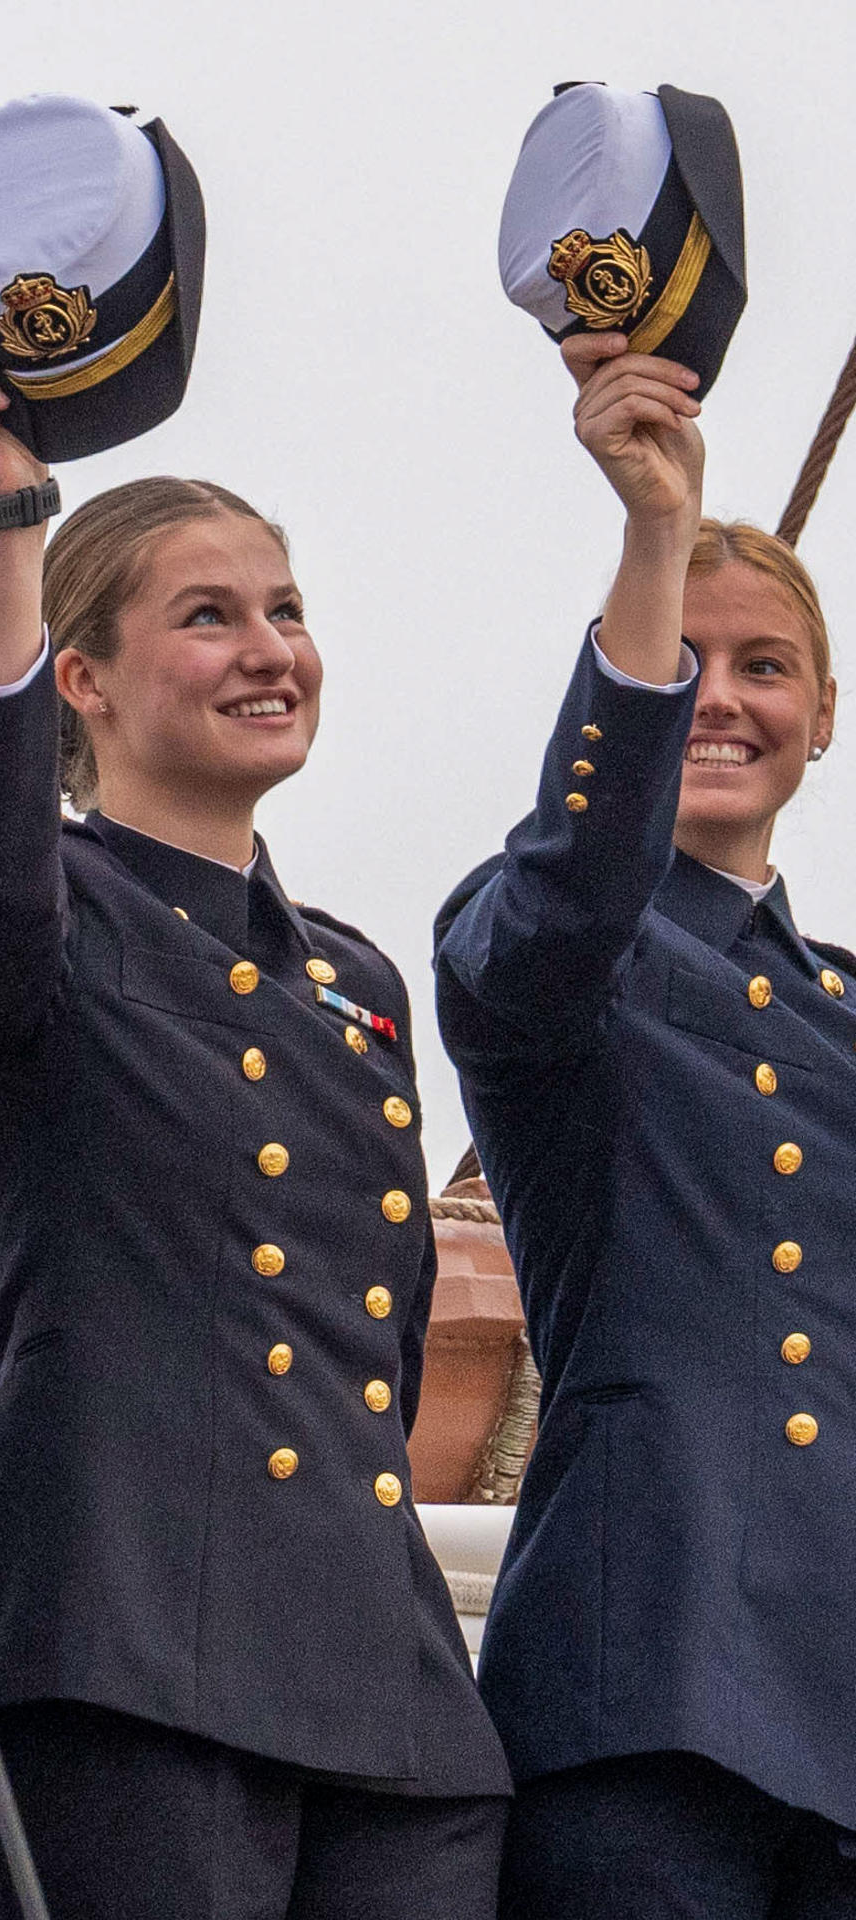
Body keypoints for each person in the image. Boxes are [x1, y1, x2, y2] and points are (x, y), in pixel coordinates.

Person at [0, 292, 512, 1920]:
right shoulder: (38, 914)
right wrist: (11, 530)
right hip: (128, 1649)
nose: (268, 650)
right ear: (81, 682)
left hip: (384, 1694)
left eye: (284, 610)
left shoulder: (351, 980)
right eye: (210, 617)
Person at [435, 329, 856, 1918]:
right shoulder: (546, 932)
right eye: (689, 659)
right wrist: (652, 540)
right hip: (645, 1690)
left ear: (825, 717)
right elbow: (559, 898)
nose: (725, 699)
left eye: (765, 669)